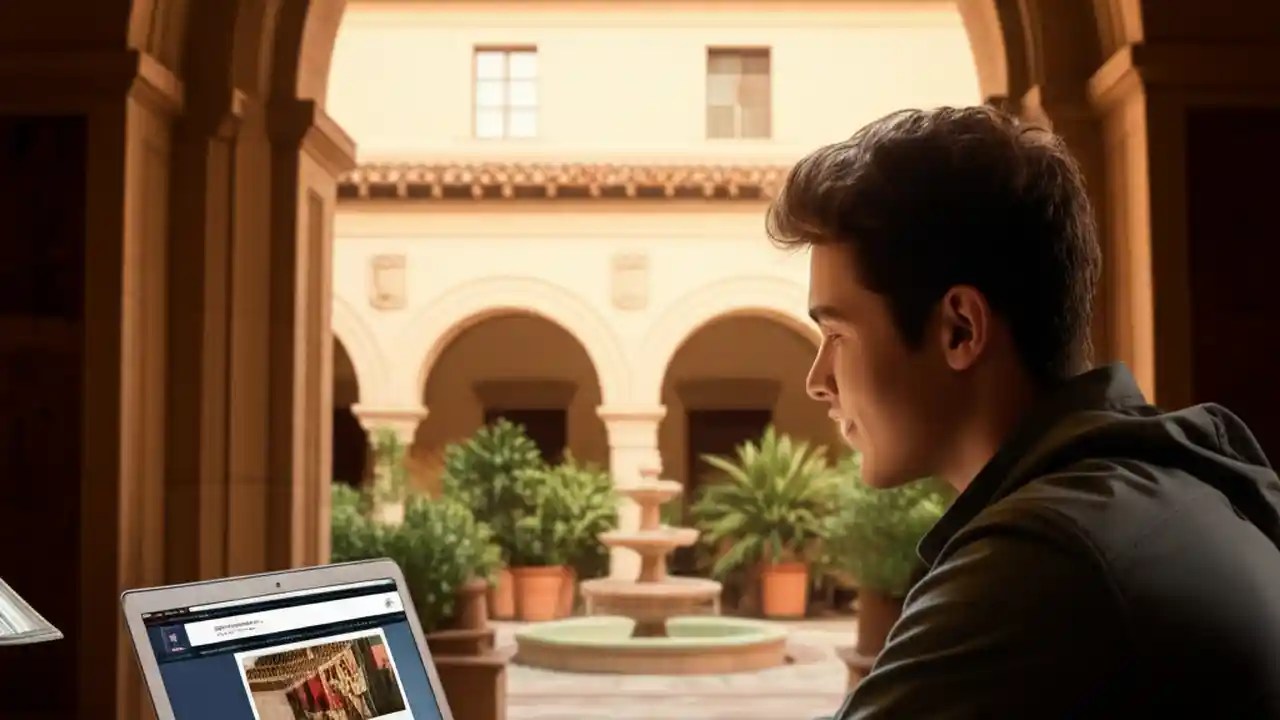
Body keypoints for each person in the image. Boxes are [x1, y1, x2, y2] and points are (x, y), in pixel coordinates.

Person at [768, 106, 1280, 718]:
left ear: (961, 328)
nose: (817, 379)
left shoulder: (1042, 564)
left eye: (838, 335)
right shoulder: (1186, 480)